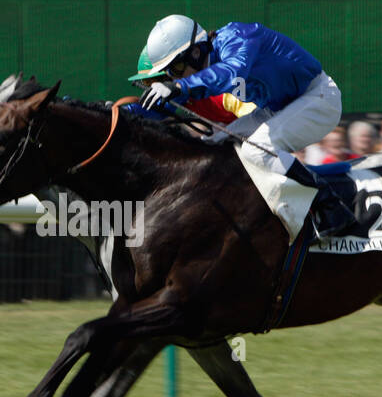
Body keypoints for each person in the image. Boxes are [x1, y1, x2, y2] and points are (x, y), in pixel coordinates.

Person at [133, 14, 354, 237]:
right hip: (275, 109)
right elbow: (161, 108)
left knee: (256, 148)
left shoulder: (238, 36)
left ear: (196, 52)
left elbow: (233, 71)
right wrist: (115, 114)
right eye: (170, 73)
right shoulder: (200, 69)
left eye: (177, 68)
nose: (173, 76)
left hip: (318, 97)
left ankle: (330, 203)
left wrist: (179, 85)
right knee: (211, 146)